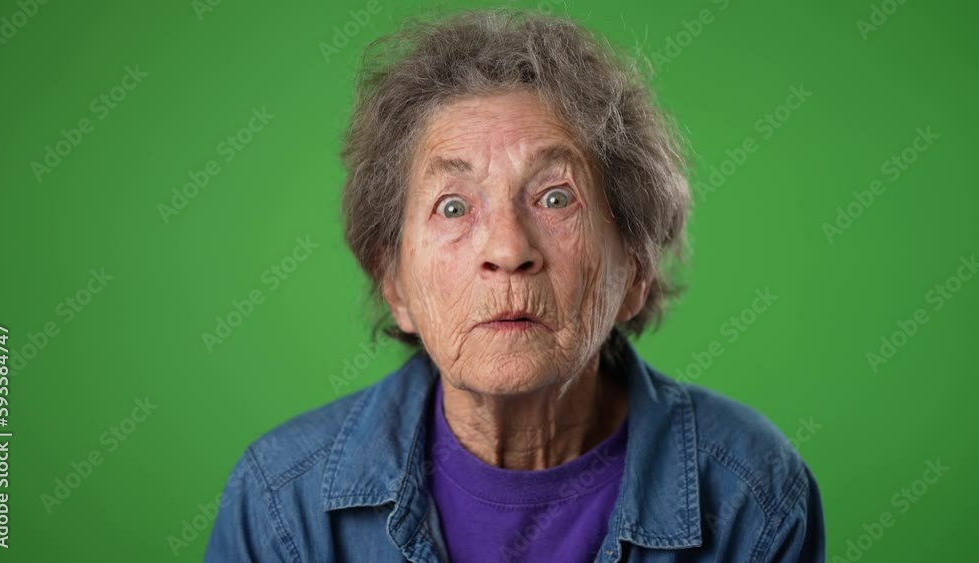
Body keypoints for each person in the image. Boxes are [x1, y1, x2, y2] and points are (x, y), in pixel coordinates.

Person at [204, 9, 825, 563]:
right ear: (394, 285)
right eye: (453, 207)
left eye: (556, 197)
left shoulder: (753, 493)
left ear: (634, 272)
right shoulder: (283, 502)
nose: (507, 250)